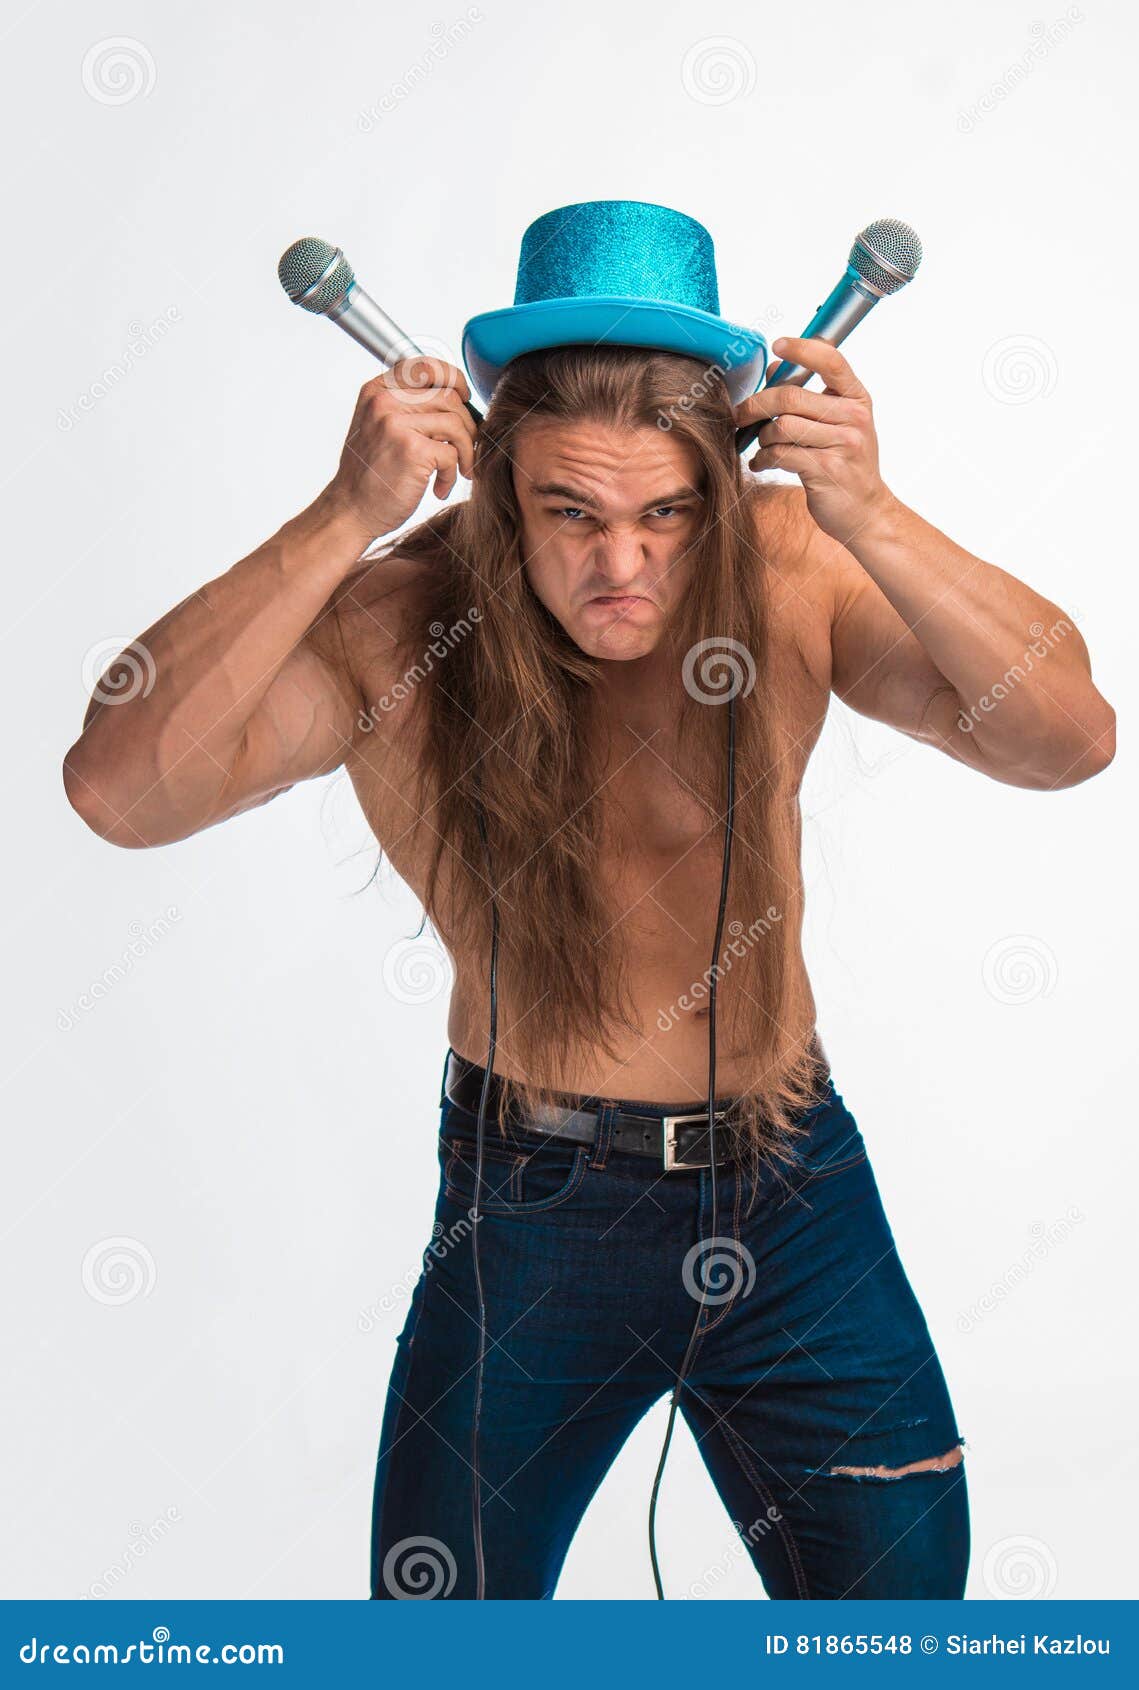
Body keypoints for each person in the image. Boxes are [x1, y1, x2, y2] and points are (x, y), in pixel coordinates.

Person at [63, 202, 1114, 1601]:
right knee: (443, 1639)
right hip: (531, 1206)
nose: (623, 567)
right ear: (498, 484)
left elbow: (1067, 739)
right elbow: (120, 791)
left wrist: (871, 510)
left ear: (726, 481)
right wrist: (342, 516)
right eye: (571, 512)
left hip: (791, 1182)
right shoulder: (400, 619)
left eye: (666, 513)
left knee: (904, 1631)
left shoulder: (792, 563)